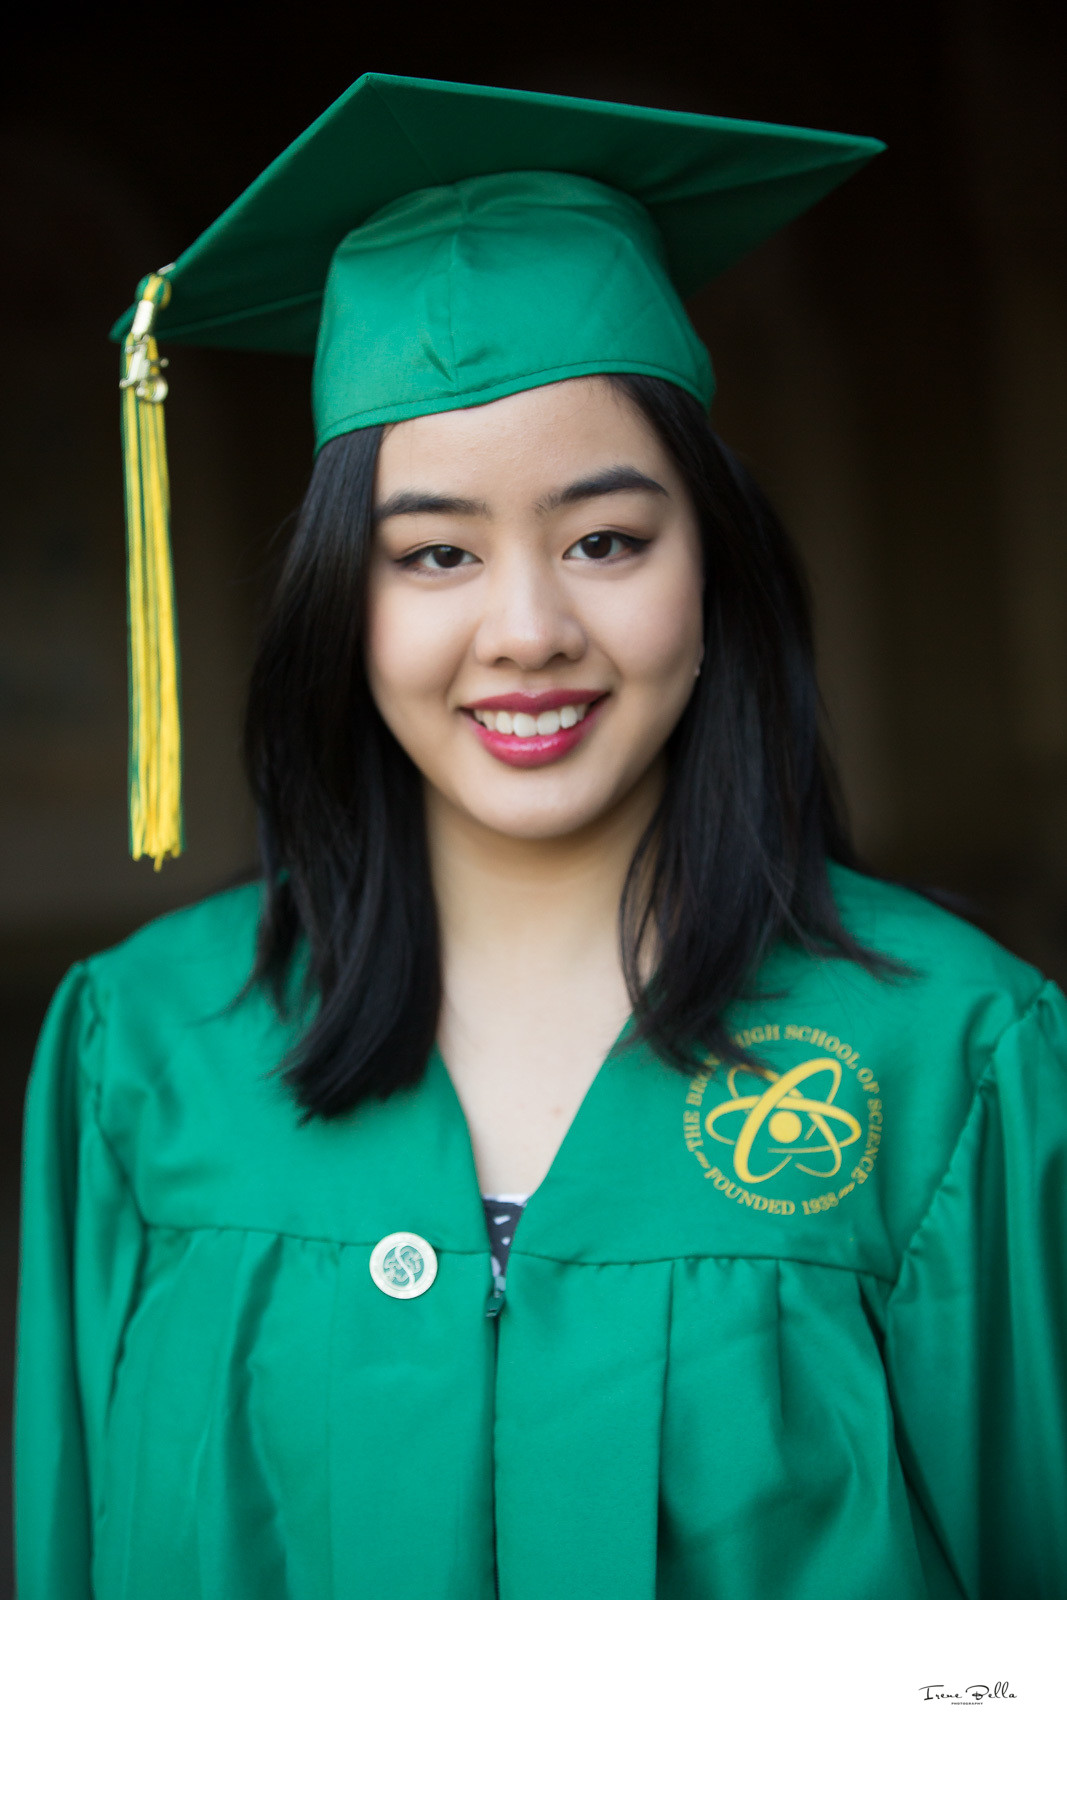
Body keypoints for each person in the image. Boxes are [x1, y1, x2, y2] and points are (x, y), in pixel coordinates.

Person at [14, 72, 1067, 1600]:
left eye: (606, 540)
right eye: (433, 551)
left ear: (716, 569)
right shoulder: (145, 1050)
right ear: (340, 607)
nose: (527, 628)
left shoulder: (956, 1057)